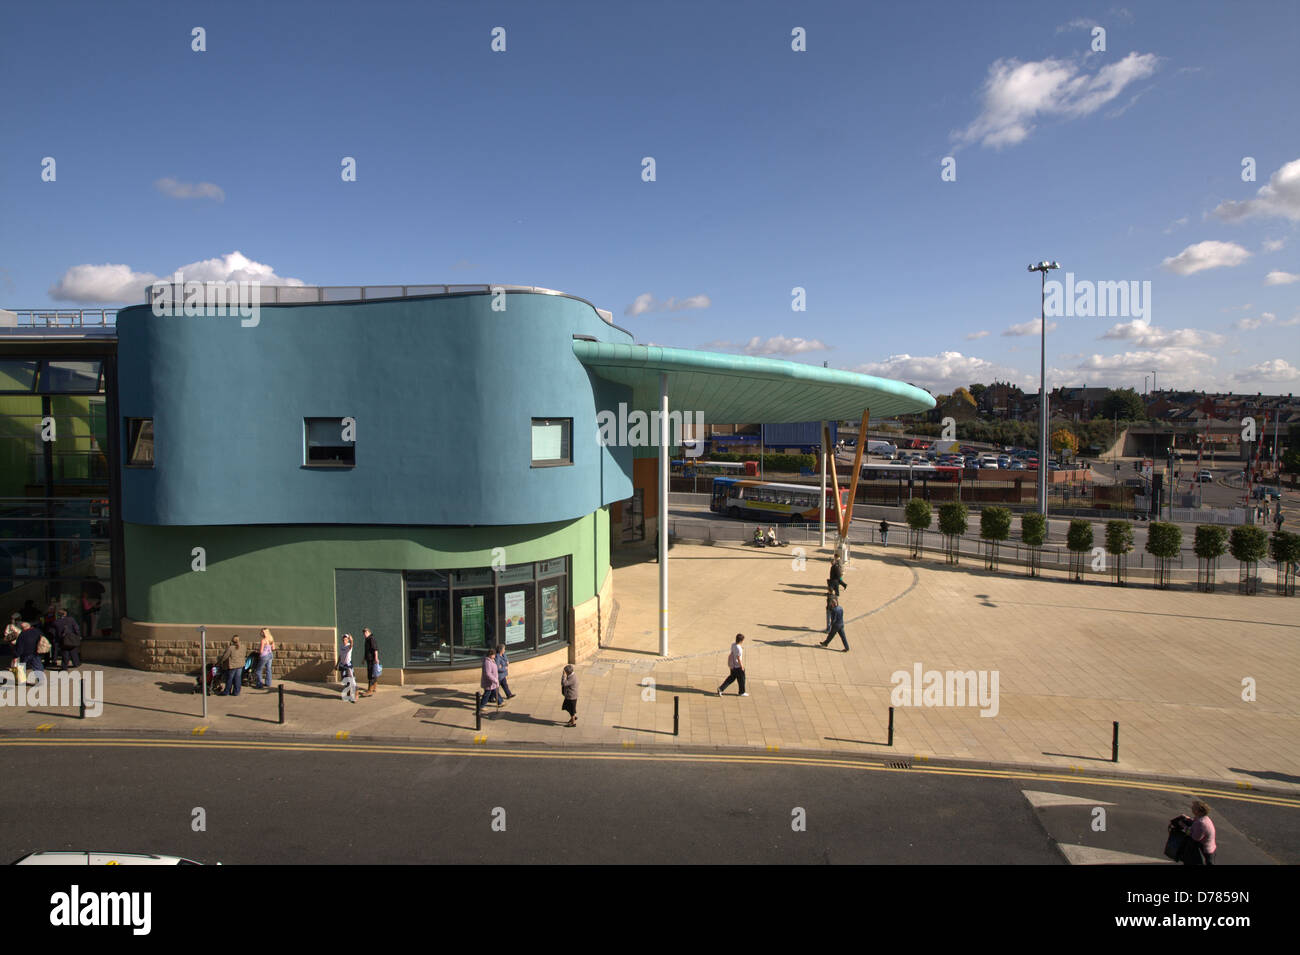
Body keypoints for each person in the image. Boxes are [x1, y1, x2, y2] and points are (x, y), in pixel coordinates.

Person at [1172, 800, 1216, 865]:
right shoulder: (1202, 818)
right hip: (1208, 846)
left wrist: (1183, 826)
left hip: (1206, 849)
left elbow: (1195, 838)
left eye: (1194, 807)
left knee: (1208, 862)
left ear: (1199, 811)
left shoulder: (1201, 823)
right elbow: (1194, 823)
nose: (1192, 808)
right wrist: (1187, 818)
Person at [361, 627, 380, 697]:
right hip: (369, 659)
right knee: (373, 673)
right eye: (364, 633)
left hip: (372, 659)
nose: (365, 634)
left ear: (369, 632)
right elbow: (367, 651)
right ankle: (374, 686)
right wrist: (364, 659)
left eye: (366, 632)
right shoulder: (367, 639)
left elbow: (375, 649)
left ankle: (370, 690)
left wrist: (376, 658)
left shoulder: (371, 639)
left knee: (370, 674)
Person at [339, 633, 356, 702]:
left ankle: (353, 696)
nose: (344, 640)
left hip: (348, 666)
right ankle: (348, 695)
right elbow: (340, 656)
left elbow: (351, 645)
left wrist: (352, 640)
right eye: (343, 639)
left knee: (351, 681)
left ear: (348, 640)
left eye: (346, 639)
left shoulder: (349, 646)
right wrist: (337, 664)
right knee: (345, 681)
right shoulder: (341, 646)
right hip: (342, 665)